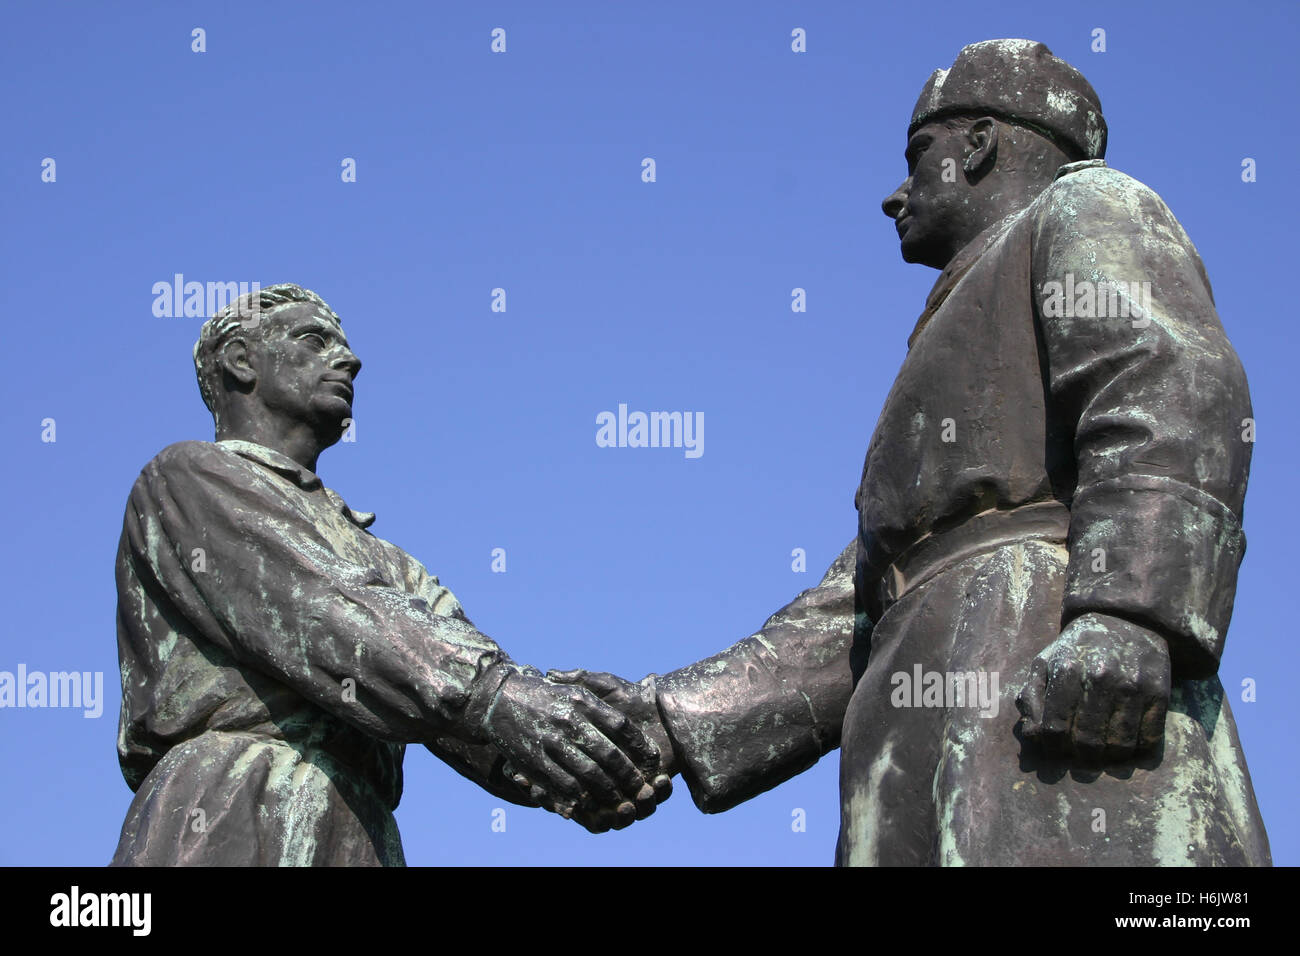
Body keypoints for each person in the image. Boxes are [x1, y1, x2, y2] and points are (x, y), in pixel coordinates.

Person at [555, 39, 1272, 865]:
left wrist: (1127, 616)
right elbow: (857, 607)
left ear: (979, 145)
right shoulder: (950, 334)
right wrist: (669, 720)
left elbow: (1167, 386)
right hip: (913, 723)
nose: (894, 194)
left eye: (916, 155)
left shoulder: (1087, 208)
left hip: (1040, 666)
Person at [111, 283, 667, 866]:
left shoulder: (384, 559)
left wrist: (588, 754)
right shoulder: (188, 477)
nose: (349, 360)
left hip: (360, 824)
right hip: (229, 805)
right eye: (315, 339)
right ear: (242, 361)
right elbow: (327, 611)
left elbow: (467, 700)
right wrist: (505, 701)